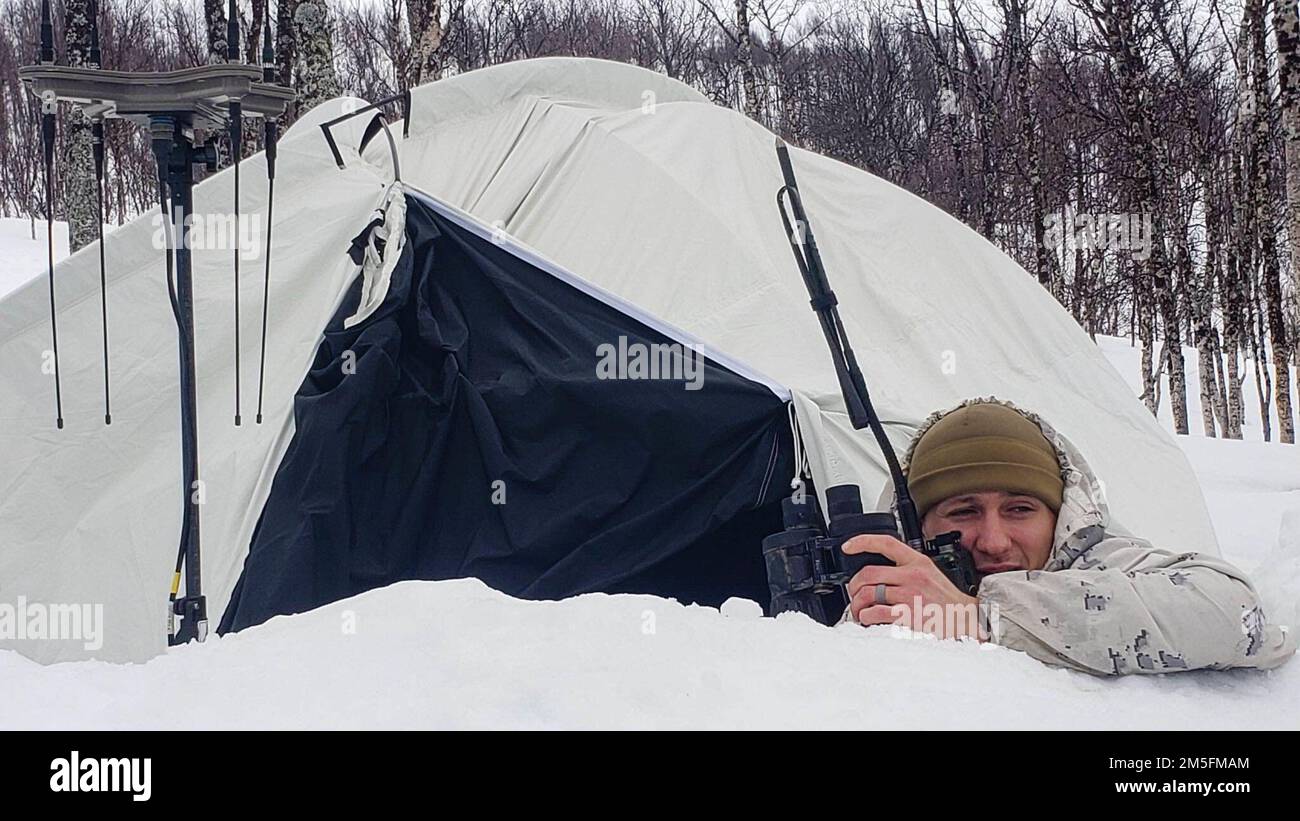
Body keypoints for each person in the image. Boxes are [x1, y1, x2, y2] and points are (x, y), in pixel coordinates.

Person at [839, 398, 1295, 676]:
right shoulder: (890, 593)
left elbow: (1235, 616)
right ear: (918, 527)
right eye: (964, 511)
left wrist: (981, 617)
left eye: (1020, 509)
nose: (994, 541)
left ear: (1060, 516)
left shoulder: (1097, 558)